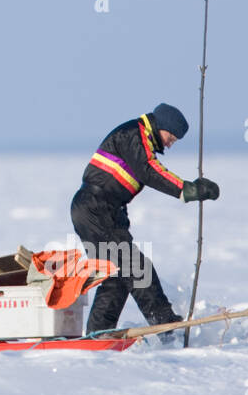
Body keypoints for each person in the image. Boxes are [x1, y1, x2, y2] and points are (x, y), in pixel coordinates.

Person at [70, 103, 220, 336]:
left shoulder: (140, 137)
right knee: (135, 266)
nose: (171, 143)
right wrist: (186, 190)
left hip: (102, 210)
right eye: (171, 136)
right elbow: (149, 170)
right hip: (95, 208)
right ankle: (164, 323)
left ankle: (98, 335)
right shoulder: (134, 134)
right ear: (160, 127)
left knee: (117, 276)